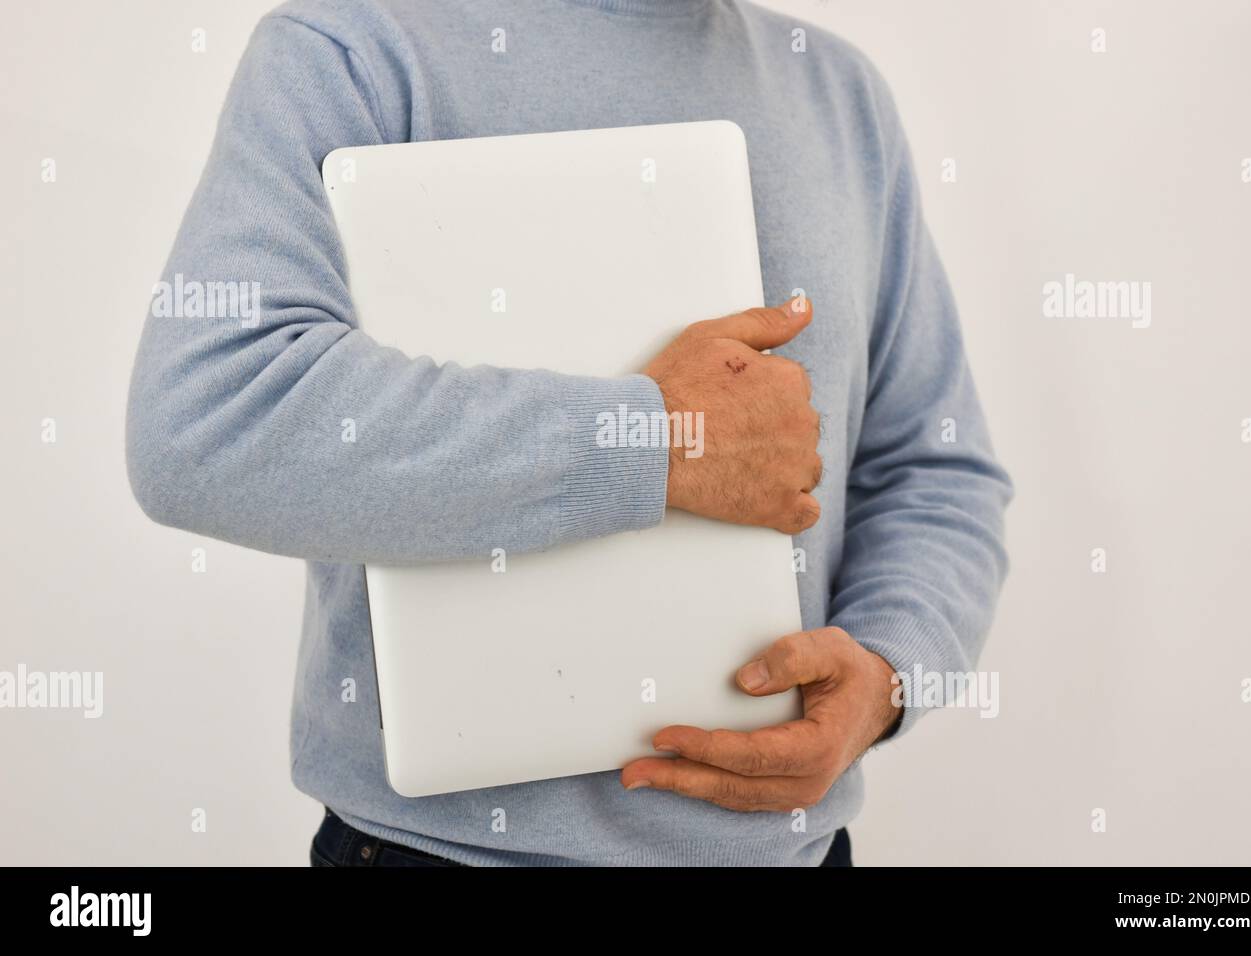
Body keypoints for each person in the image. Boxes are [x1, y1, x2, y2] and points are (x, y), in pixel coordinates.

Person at [126, 0, 1012, 867]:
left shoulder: (843, 92)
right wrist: (657, 444)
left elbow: (935, 469)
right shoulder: (352, 45)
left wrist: (889, 674)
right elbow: (209, 415)